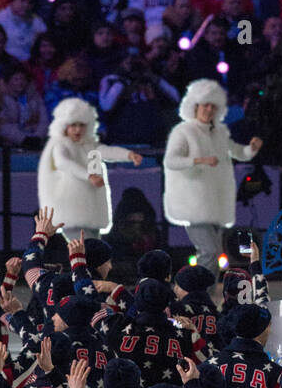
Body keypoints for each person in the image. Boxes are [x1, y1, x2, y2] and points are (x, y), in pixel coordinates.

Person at [163, 79, 262, 272]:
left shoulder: (220, 132)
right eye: (204, 105)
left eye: (212, 106)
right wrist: (199, 161)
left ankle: (199, 295)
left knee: (212, 253)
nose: (208, 110)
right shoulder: (183, 131)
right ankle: (197, 293)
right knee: (209, 252)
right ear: (194, 106)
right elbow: (170, 160)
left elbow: (236, 151)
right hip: (194, 203)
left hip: (215, 202)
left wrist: (251, 149)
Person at [37, 96, 142, 241]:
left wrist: (128, 155)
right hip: (71, 208)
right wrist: (89, 176)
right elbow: (63, 163)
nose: (78, 129)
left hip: (92, 209)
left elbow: (107, 151)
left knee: (93, 249)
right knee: (82, 249)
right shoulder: (60, 144)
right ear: (64, 126)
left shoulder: (89, 144)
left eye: (81, 125)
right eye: (73, 125)